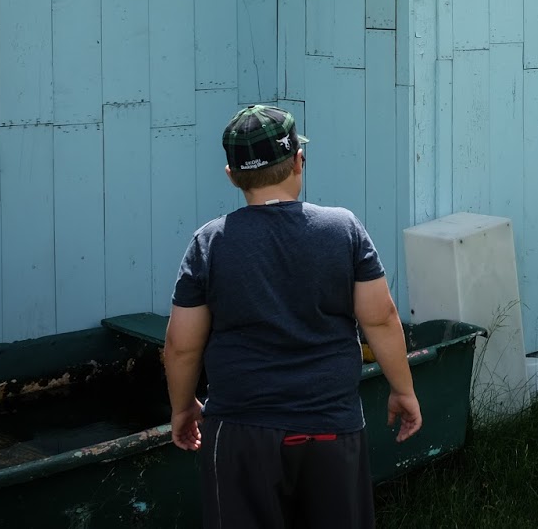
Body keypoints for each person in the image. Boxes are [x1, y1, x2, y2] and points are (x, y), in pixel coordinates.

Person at [163, 104, 422, 529]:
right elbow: (381, 319)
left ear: (231, 176)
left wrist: (182, 407)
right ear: (299, 161)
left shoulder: (210, 243)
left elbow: (181, 345)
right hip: (331, 428)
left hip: (242, 431)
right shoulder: (343, 229)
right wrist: (403, 389)